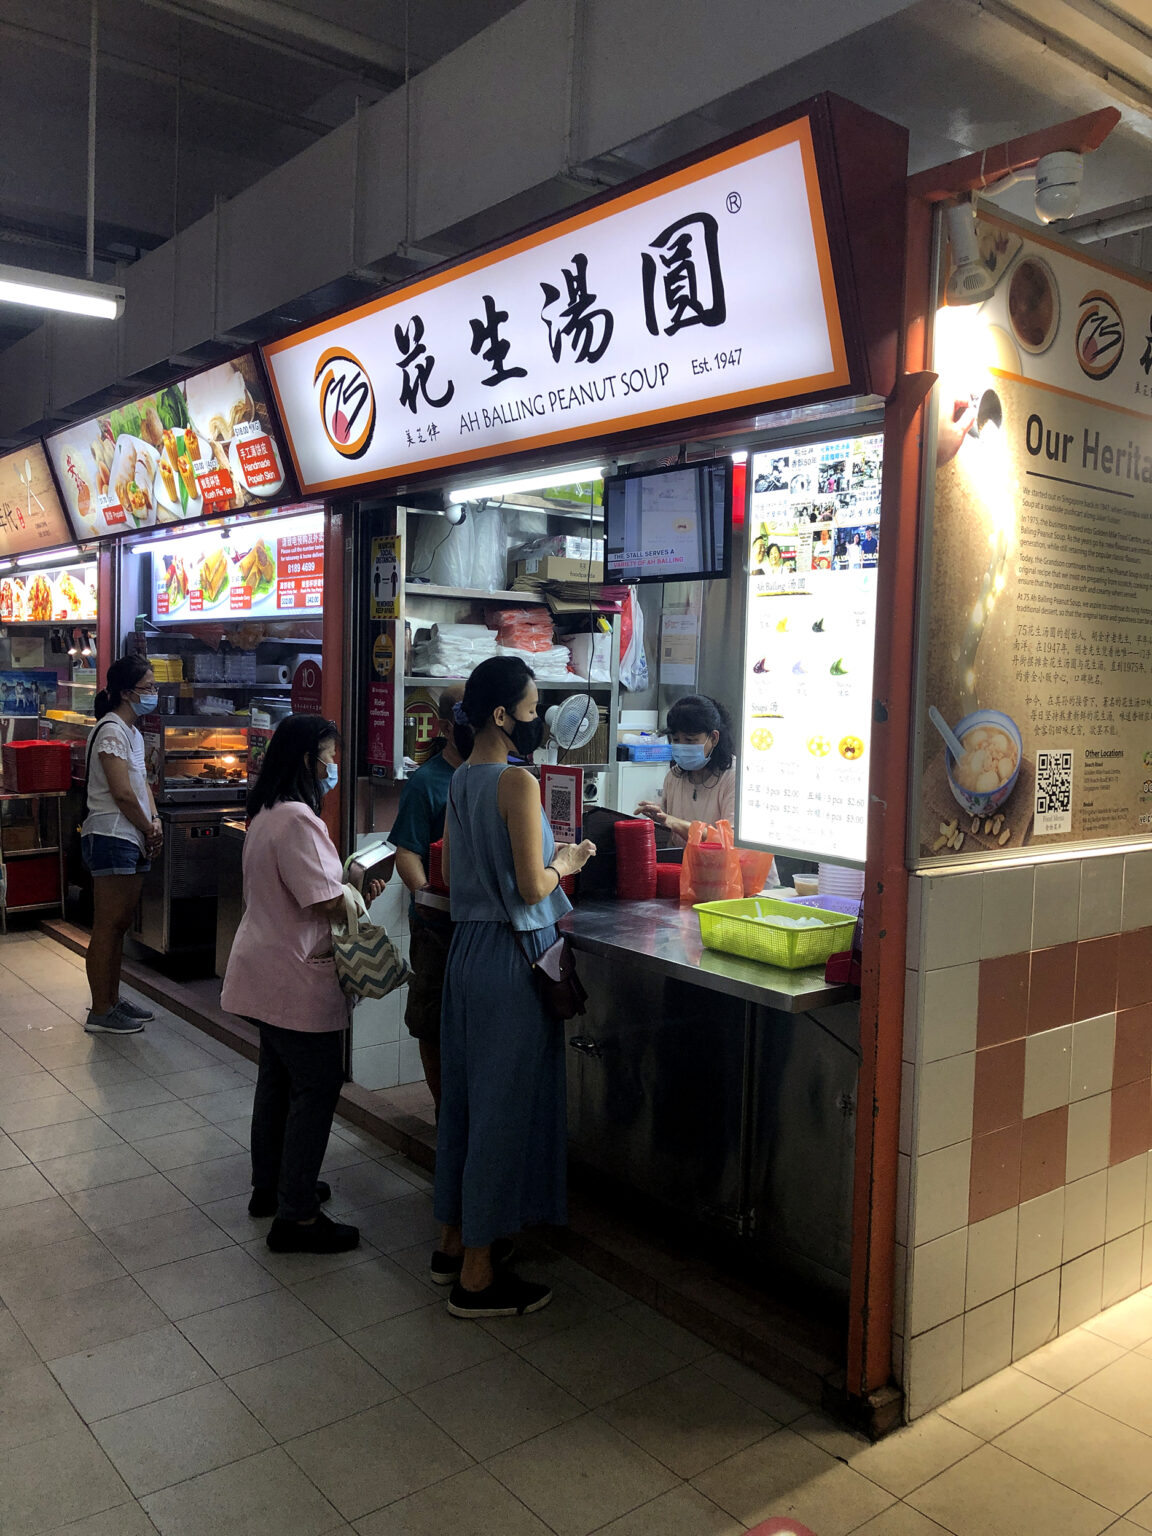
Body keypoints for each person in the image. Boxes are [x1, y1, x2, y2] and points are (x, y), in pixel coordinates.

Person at [433, 656, 595, 1318]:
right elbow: (533, 886)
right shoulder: (516, 783)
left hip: (465, 956)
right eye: (531, 710)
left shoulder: (459, 778)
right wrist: (569, 860)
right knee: (502, 1114)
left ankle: (451, 1241)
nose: (537, 721)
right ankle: (477, 1277)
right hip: (510, 958)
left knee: (466, 1107)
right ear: (502, 716)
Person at [221, 714, 383, 1254]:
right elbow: (325, 899)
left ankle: (271, 1186)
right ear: (306, 760)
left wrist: (348, 882)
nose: (334, 765)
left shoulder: (266, 812)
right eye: (329, 756)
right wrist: (356, 889)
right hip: (293, 975)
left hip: (263, 970)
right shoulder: (297, 820)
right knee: (316, 1087)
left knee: (277, 1083)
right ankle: (297, 1217)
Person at [387, 684, 469, 1115]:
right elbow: (407, 851)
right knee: (432, 1020)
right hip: (438, 925)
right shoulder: (428, 781)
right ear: (445, 726)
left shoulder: (504, 774)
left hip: (482, 923)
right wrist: (426, 900)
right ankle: (444, 1112)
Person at [80, 655, 162, 1035]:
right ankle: (101, 1009)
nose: (154, 694)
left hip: (133, 834)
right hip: (112, 833)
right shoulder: (110, 730)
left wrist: (155, 822)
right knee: (108, 926)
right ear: (127, 693)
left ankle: (112, 999)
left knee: (120, 925)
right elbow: (122, 793)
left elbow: (142, 784)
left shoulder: (132, 732)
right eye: (148, 688)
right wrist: (147, 827)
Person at [636, 694, 748, 849]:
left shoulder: (735, 777)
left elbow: (730, 840)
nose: (682, 746)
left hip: (736, 871)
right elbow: (672, 840)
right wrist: (660, 818)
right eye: (676, 740)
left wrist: (672, 821)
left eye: (690, 740)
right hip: (694, 868)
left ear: (714, 738)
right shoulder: (674, 777)